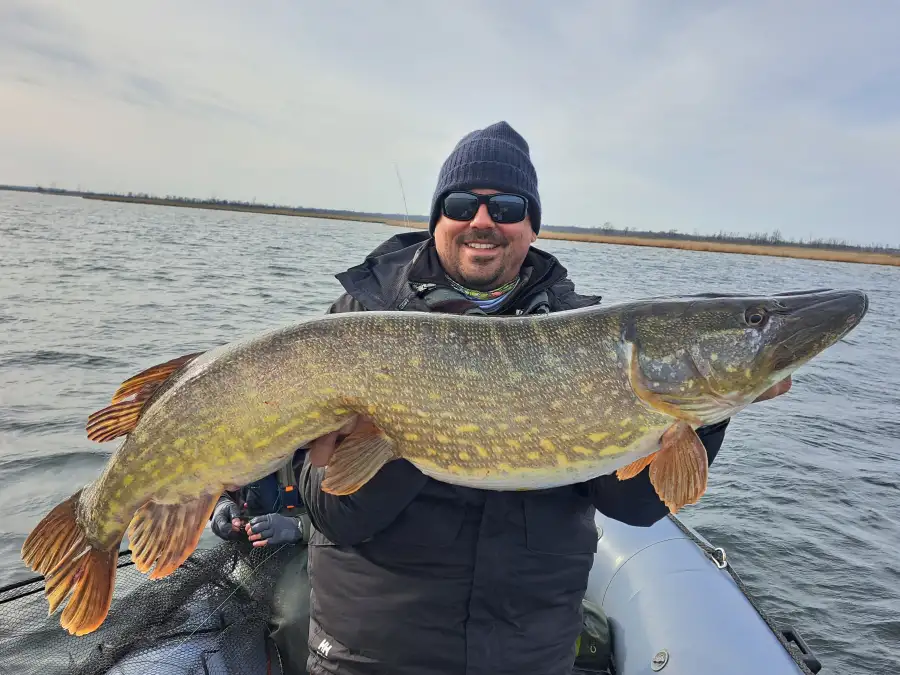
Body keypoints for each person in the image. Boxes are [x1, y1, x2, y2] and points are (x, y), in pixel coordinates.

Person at [298, 121, 792, 675]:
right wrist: (418, 414)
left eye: (507, 208)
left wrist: (704, 414)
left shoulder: (579, 335)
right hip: (371, 657)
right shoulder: (360, 319)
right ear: (439, 218)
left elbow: (632, 504)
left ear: (531, 226)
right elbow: (334, 514)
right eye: (463, 204)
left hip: (529, 656)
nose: (483, 221)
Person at [209, 448, 313, 674]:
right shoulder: (236, 429)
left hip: (315, 545)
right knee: (228, 609)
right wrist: (220, 505)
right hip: (253, 547)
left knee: (293, 617)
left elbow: (359, 513)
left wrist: (299, 526)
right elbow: (207, 480)